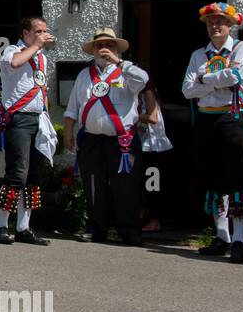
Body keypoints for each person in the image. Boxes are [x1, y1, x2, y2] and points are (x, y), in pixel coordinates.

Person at [181, 2, 243, 263]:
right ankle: (222, 236)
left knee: (235, 175)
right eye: (211, 22)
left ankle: (239, 240)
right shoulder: (198, 55)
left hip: (232, 117)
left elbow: (235, 76)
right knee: (211, 177)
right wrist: (211, 81)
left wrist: (203, 79)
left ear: (231, 25)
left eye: (220, 21)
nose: (215, 26)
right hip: (206, 118)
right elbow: (186, 91)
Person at [63, 28, 150, 246]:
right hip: (91, 140)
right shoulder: (84, 75)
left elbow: (143, 80)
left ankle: (129, 231)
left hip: (122, 141)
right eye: (99, 46)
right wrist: (68, 133)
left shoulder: (127, 72)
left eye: (109, 45)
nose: (104, 49)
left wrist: (119, 63)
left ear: (116, 49)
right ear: (92, 50)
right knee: (93, 185)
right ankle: (95, 229)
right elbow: (72, 107)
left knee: (126, 186)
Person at [0, 16, 57, 246]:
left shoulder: (42, 58)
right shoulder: (11, 50)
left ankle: (23, 227)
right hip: (18, 120)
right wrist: (36, 45)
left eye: (45, 31)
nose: (43, 34)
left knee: (34, 177)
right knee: (16, 174)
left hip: (38, 119)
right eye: (38, 31)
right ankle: (1, 226)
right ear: (26, 33)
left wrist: (47, 117)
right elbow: (15, 63)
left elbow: (42, 90)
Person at [136, 83, 172, 233]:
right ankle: (145, 216)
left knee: (153, 185)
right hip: (143, 146)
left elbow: (153, 118)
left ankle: (155, 220)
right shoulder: (137, 96)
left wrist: (132, 116)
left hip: (154, 147)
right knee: (143, 184)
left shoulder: (147, 93)